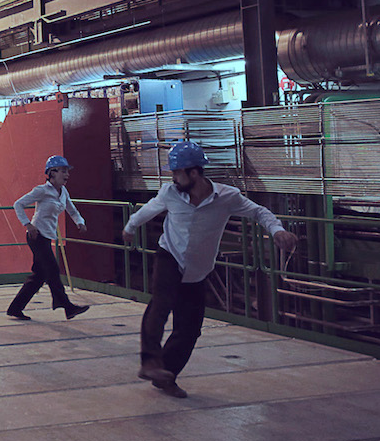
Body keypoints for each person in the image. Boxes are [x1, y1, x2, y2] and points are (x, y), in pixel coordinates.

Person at [122, 140, 299, 398]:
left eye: (176, 172)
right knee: (161, 303)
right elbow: (147, 211)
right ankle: (149, 361)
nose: (173, 178)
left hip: (198, 270)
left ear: (194, 173)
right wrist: (129, 228)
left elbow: (259, 212)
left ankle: (166, 374)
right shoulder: (170, 193)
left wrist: (277, 230)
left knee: (190, 329)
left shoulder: (227, 197)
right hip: (169, 256)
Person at [7, 155, 92, 321]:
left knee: (38, 277)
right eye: (63, 171)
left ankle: (15, 308)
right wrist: (27, 224)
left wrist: (80, 222)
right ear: (52, 172)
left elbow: (72, 210)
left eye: (67, 171)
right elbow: (18, 204)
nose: (67, 175)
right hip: (36, 236)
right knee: (52, 270)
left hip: (47, 237)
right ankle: (67, 307)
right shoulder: (42, 190)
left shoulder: (63, 192)